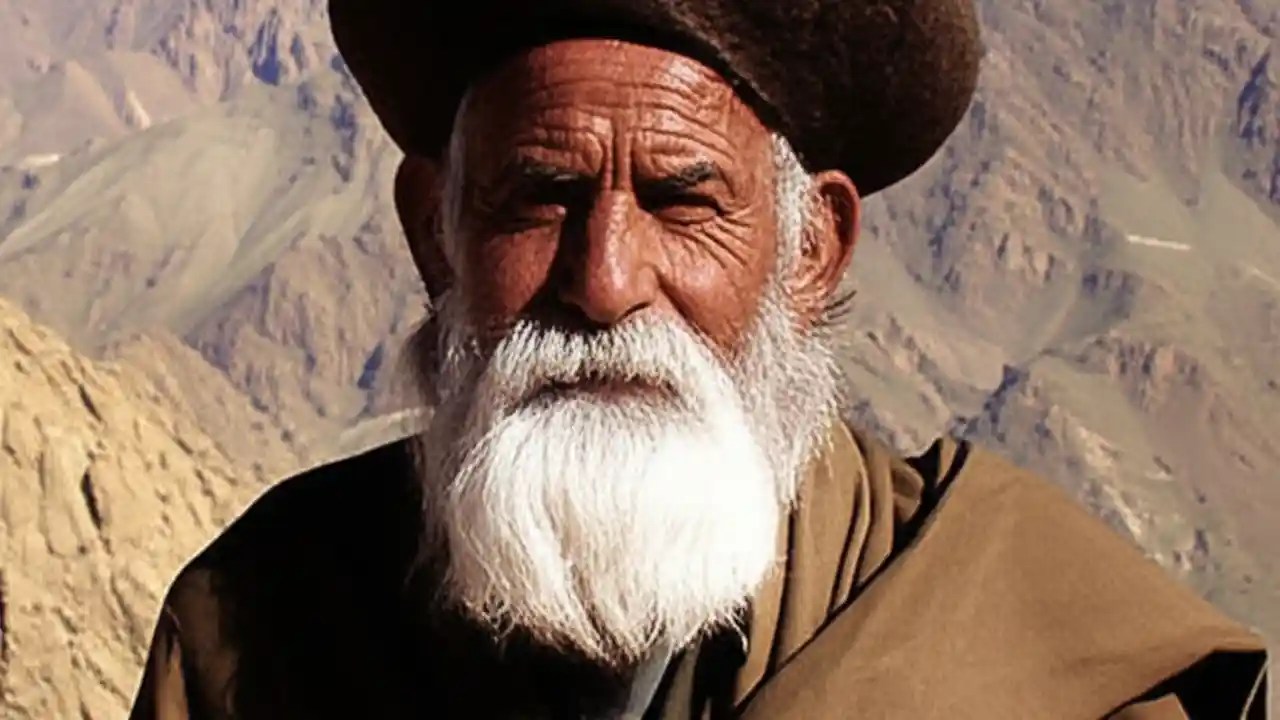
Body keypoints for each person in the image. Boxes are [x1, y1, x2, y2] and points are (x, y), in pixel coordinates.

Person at [129, 0, 1270, 717]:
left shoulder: (1054, 674)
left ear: (810, 251)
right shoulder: (265, 632)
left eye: (683, 201)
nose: (606, 280)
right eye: (538, 196)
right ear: (435, 231)